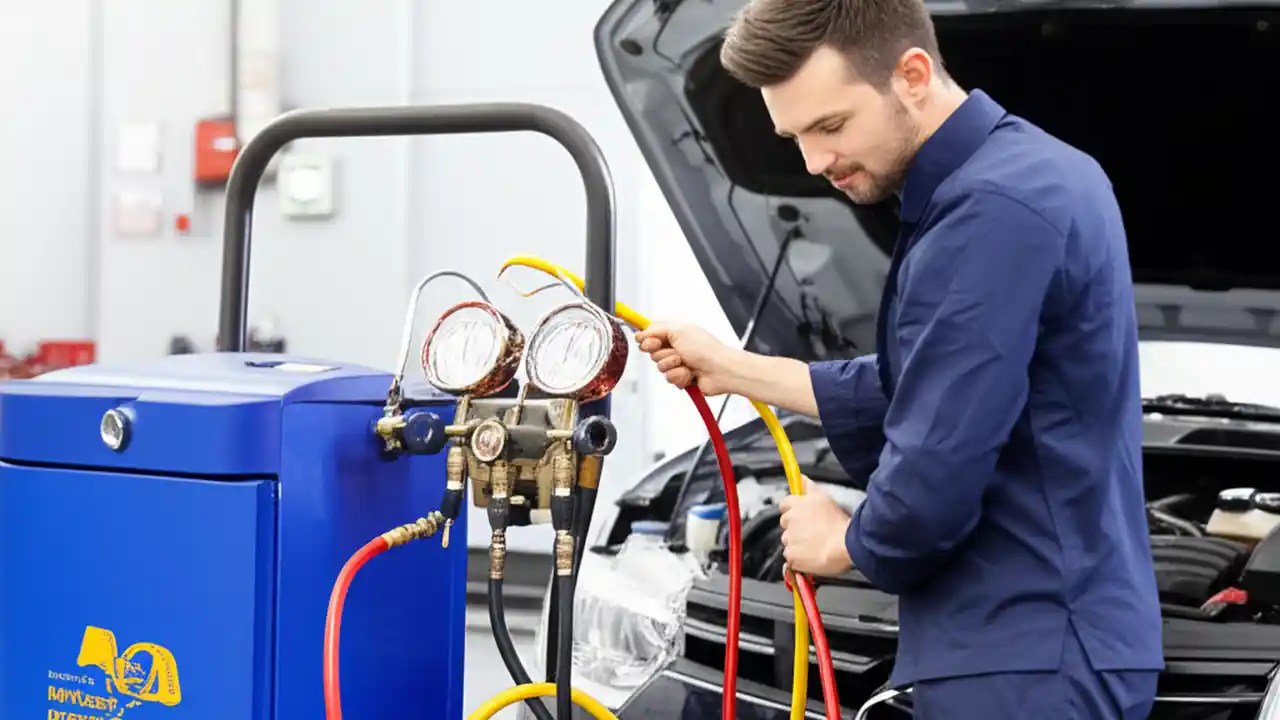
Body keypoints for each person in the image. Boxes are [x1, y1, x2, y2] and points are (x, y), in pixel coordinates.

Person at [635, 0, 1164, 717]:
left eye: (831, 125)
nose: (816, 162)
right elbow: (919, 384)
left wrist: (846, 541)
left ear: (913, 74)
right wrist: (732, 367)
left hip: (1024, 657)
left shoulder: (992, 209)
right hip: (1037, 646)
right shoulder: (1027, 174)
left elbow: (935, 467)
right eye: (795, 136)